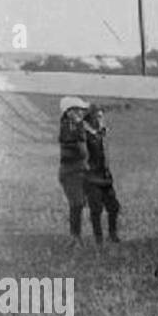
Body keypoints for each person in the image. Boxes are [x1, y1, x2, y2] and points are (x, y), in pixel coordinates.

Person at [82, 104, 121, 243]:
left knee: (114, 207)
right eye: (98, 117)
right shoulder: (85, 135)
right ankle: (98, 238)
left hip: (105, 177)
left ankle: (112, 234)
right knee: (96, 209)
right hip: (91, 178)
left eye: (101, 117)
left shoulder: (101, 133)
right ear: (91, 118)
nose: (101, 120)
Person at [57, 96, 89, 245]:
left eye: (82, 110)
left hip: (78, 170)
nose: (81, 113)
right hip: (71, 172)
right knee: (76, 203)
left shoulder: (77, 126)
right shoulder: (67, 126)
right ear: (69, 112)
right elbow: (74, 145)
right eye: (77, 110)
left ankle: (75, 236)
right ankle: (75, 236)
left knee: (79, 203)